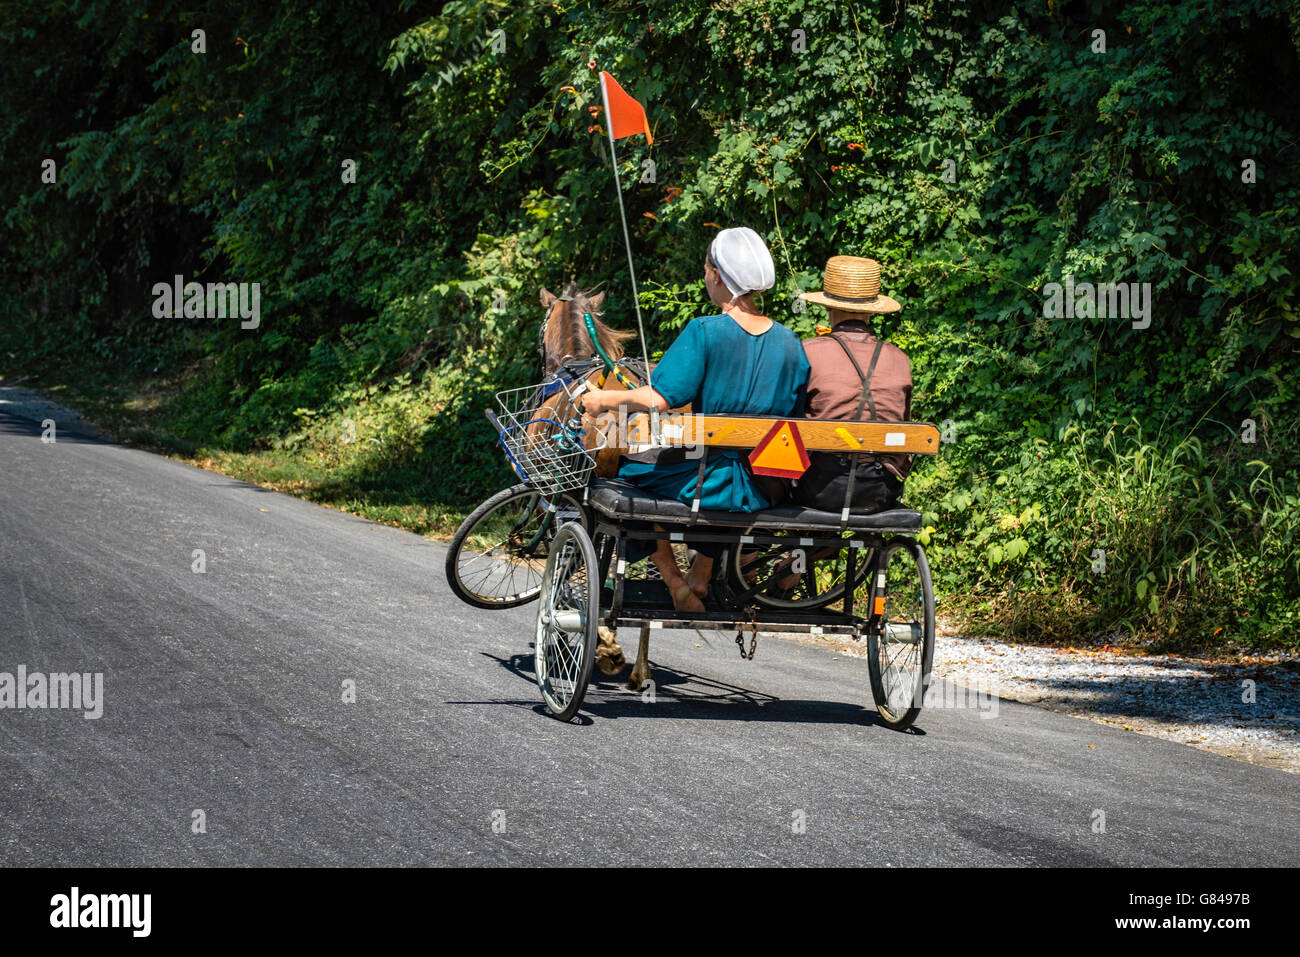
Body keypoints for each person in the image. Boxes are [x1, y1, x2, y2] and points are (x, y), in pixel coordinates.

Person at [580, 227, 810, 611]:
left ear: (717, 275)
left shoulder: (704, 331)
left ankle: (674, 579)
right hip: (766, 486)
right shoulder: (792, 343)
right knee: (718, 469)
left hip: (708, 483)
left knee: (629, 478)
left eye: (706, 269)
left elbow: (658, 398)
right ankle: (699, 574)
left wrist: (604, 399)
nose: (705, 276)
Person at [794, 255, 913, 514]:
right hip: (881, 492)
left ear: (828, 307)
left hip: (820, 489)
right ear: (872, 310)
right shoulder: (899, 359)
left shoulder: (807, 352)